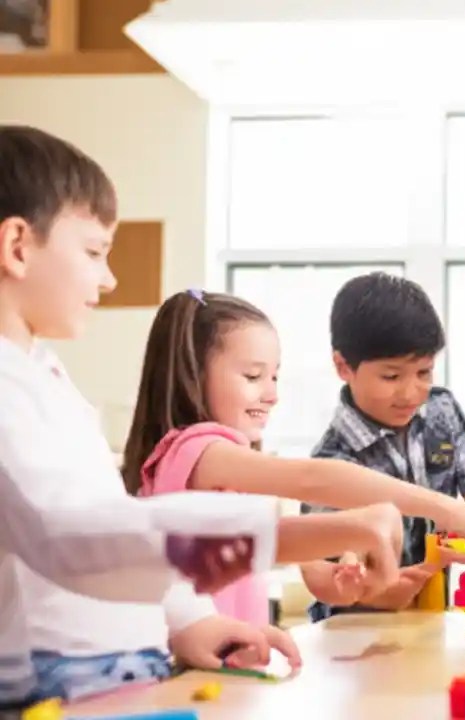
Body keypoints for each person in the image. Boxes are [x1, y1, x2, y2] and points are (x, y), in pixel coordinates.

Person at [0, 124, 406, 709]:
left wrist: (189, 620)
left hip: (121, 666)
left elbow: (109, 524)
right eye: (93, 252)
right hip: (54, 681)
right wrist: (319, 529)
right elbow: (70, 538)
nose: (109, 278)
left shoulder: (48, 379)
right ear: (18, 245)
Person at [118, 287, 465, 627]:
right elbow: (312, 479)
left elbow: (291, 552)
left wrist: (342, 581)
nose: (271, 392)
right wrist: (447, 510)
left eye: (274, 375)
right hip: (194, 665)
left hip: (230, 658)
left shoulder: (224, 466)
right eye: (252, 376)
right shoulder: (193, 450)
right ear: (193, 374)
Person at [299, 272, 465, 620]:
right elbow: (325, 568)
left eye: (424, 372)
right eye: (391, 376)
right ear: (343, 366)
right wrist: (375, 588)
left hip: (429, 617)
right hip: (354, 624)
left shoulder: (440, 410)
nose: (411, 392)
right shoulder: (332, 463)